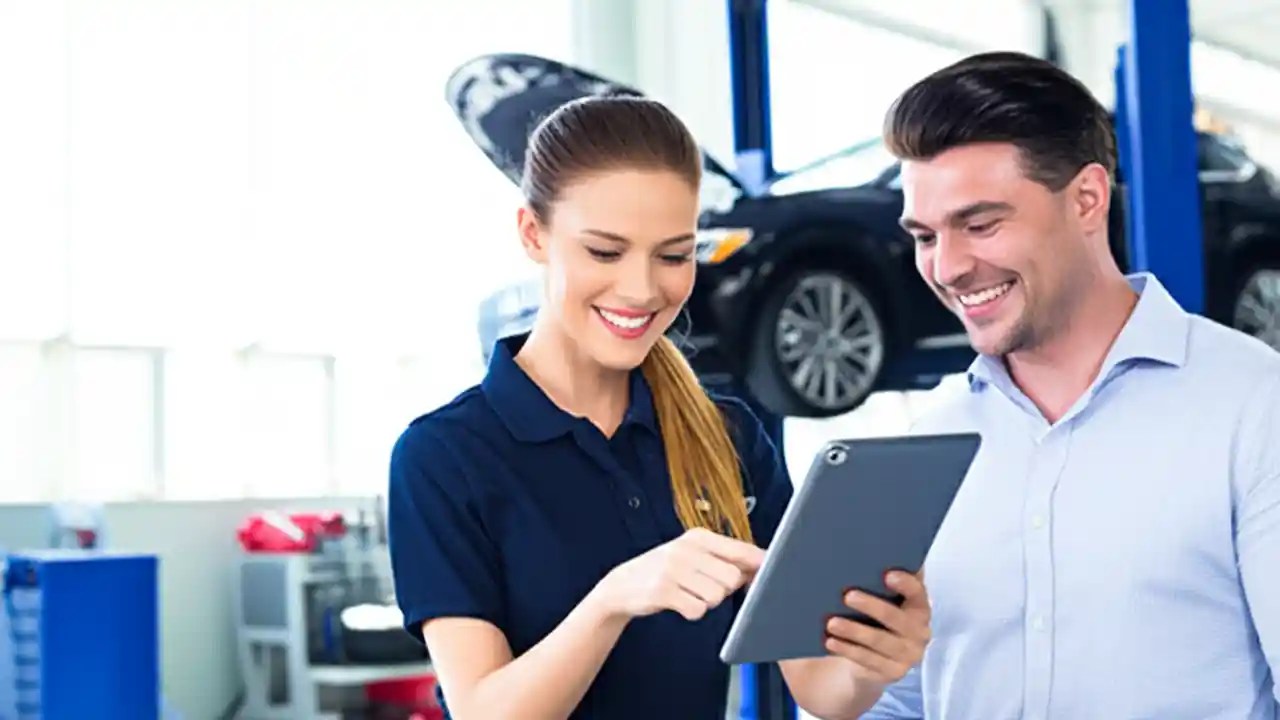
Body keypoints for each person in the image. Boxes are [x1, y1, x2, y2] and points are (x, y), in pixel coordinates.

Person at [386, 95, 934, 720]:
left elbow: (820, 689)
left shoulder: (728, 436)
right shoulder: (445, 457)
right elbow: (484, 712)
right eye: (605, 252)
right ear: (533, 234)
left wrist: (875, 653)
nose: (643, 289)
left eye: (674, 255)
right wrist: (613, 600)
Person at [861, 51, 1280, 719]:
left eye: (980, 224)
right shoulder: (930, 438)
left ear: (1087, 199)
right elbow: (901, 701)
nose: (948, 267)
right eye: (925, 236)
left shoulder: (1254, 407)